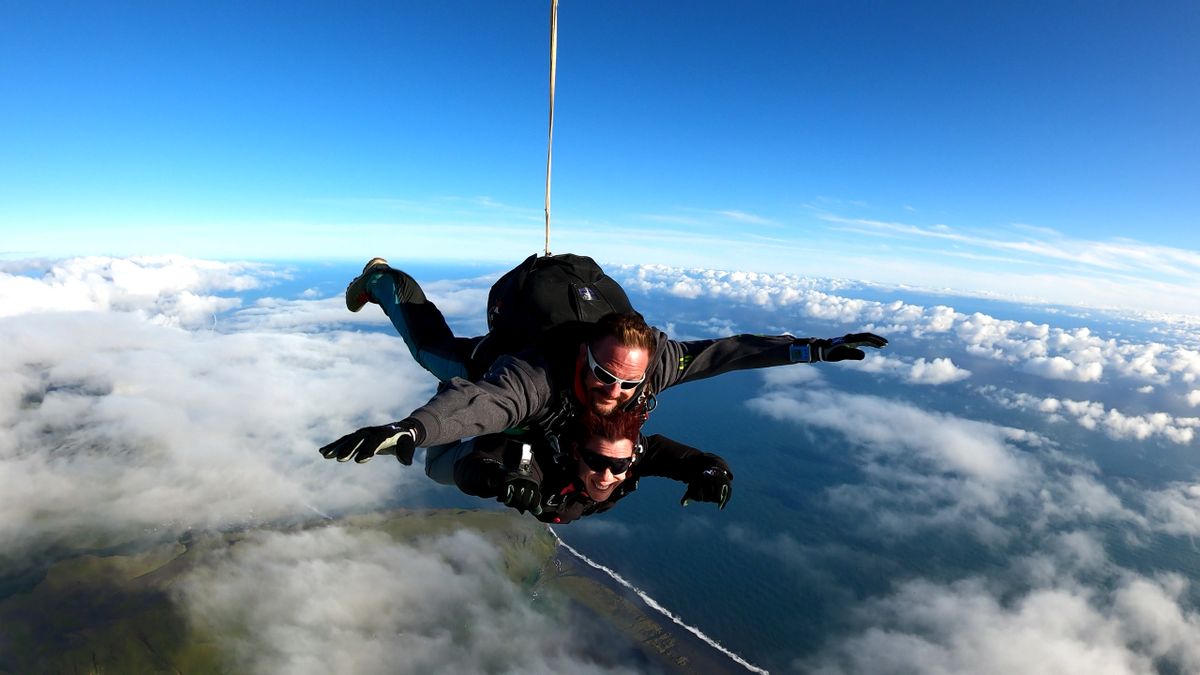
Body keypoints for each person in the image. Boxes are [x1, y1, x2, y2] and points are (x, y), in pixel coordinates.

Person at [319, 257, 888, 465]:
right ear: (584, 355)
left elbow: (726, 353)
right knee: (432, 353)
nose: (613, 390)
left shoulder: (655, 366)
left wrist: (812, 348)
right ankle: (383, 279)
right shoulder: (537, 374)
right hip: (496, 357)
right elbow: (480, 403)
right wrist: (411, 429)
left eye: (626, 382)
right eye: (602, 374)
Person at [436, 408, 733, 524]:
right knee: (435, 468)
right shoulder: (542, 460)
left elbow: (696, 461)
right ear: (577, 453)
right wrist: (500, 479)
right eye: (595, 461)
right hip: (495, 444)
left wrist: (714, 473)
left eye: (618, 465)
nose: (606, 476)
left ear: (632, 457)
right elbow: (474, 467)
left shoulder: (635, 454)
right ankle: (450, 394)